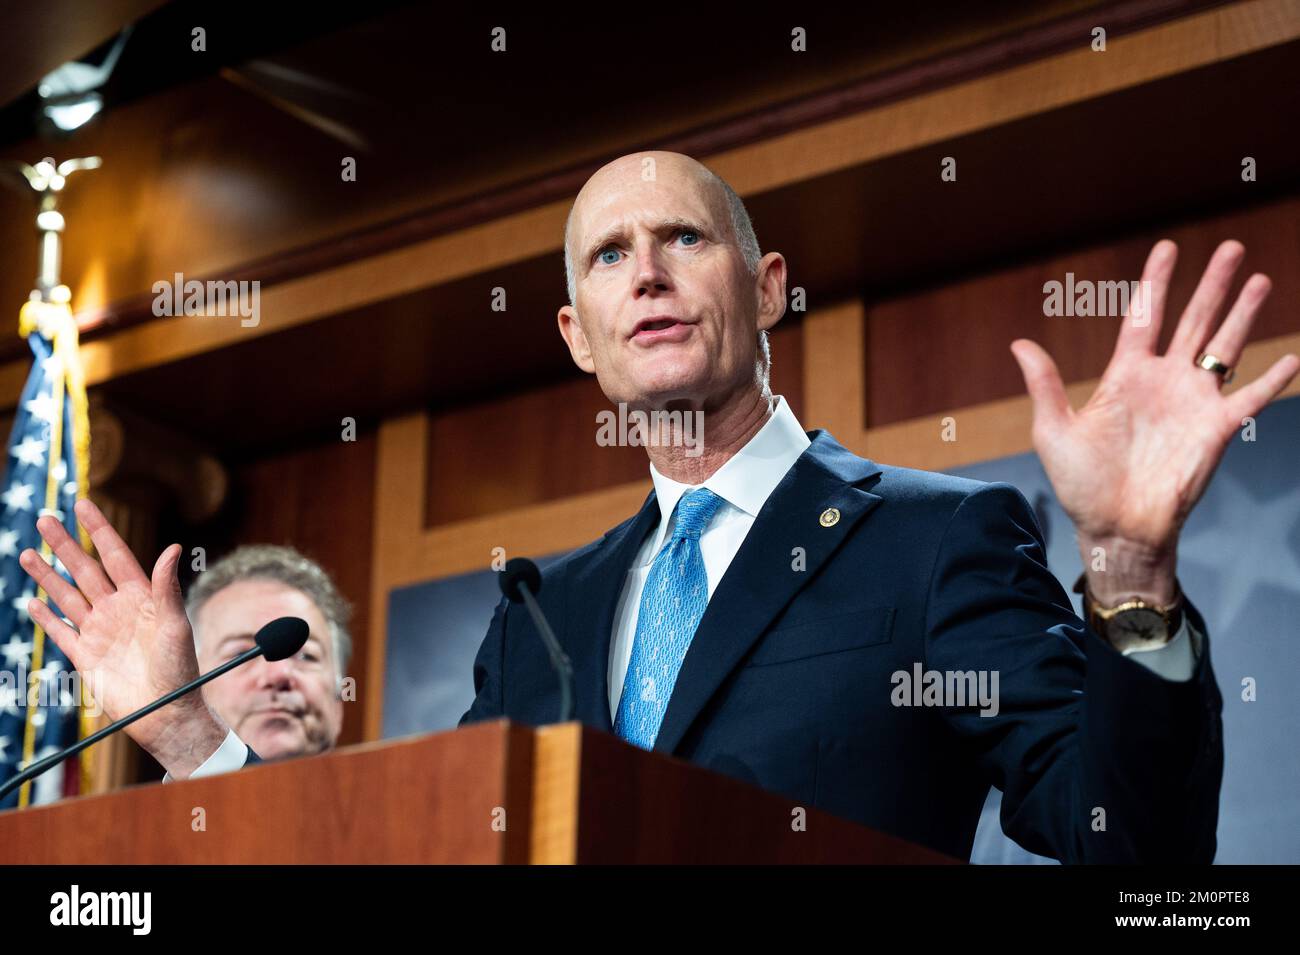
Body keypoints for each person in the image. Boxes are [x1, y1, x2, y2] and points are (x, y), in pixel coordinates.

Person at [20, 152, 1297, 862]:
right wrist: (194, 748)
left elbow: (1132, 848)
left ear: (767, 284)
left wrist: (1128, 568)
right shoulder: (541, 613)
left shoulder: (933, 538)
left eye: (682, 240)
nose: (647, 275)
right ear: (580, 338)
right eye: (608, 257)